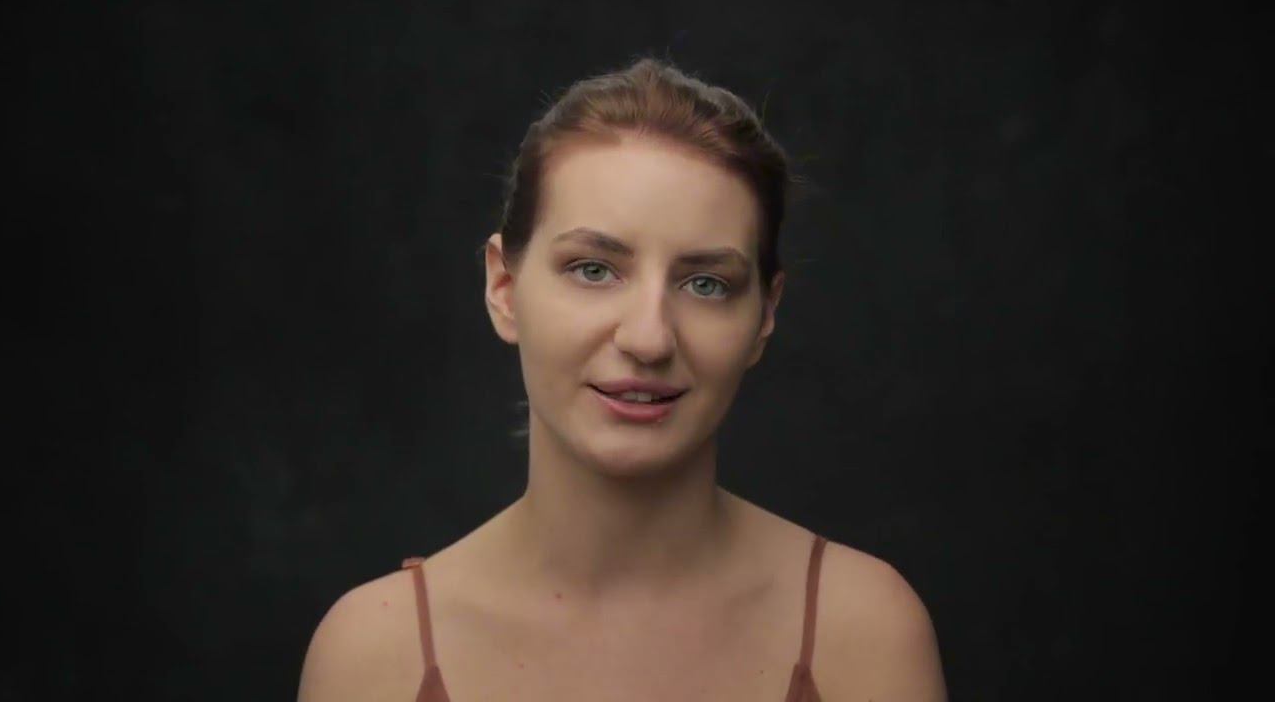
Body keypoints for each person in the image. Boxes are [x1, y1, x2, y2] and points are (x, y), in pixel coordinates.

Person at [297, 57, 947, 702]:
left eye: (706, 284)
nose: (649, 339)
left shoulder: (865, 634)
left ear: (764, 316)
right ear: (504, 287)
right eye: (594, 270)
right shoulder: (372, 656)